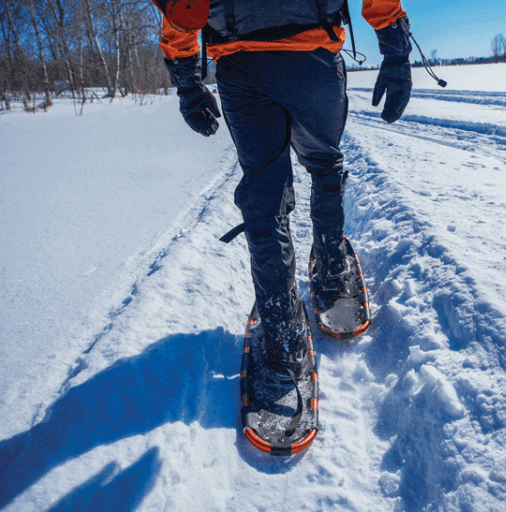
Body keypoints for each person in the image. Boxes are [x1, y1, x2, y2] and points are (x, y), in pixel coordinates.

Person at [154, 0, 413, 375]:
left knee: (264, 192)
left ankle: (282, 333)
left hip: (241, 67)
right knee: (324, 164)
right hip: (315, 59)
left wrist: (187, 84)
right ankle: (332, 271)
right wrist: (395, 52)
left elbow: (184, 8)